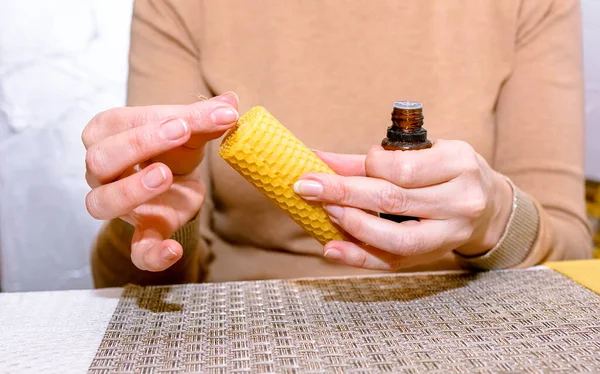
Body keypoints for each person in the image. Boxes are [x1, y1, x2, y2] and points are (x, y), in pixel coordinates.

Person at [83, 0, 591, 288]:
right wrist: (157, 216)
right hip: (248, 326)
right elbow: (137, 286)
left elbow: (571, 251)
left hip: (465, 315)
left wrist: (494, 215)